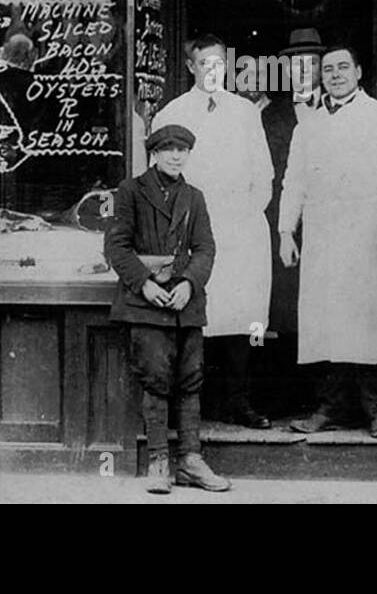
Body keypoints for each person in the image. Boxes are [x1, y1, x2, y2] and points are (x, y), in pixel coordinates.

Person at [278, 44, 377, 439]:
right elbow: (295, 181)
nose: (335, 74)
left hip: (369, 235)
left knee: (367, 322)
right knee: (325, 322)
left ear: (359, 71)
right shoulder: (308, 125)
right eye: (328, 69)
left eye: (343, 67)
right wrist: (286, 230)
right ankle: (330, 408)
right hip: (322, 236)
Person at [152, 34, 275, 429]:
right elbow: (161, 178)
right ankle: (195, 405)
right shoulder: (172, 112)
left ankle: (239, 402)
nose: (212, 70)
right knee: (196, 317)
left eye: (219, 63)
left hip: (241, 230)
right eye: (204, 63)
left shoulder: (244, 111)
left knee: (243, 317)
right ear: (191, 67)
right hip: (192, 231)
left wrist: (247, 214)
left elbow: (264, 173)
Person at [105, 123, 231, 493]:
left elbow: (206, 248)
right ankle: (159, 461)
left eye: (182, 150)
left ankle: (191, 459)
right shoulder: (130, 192)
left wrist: (190, 283)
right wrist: (143, 282)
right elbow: (116, 246)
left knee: (191, 378)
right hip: (145, 302)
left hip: (184, 303)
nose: (176, 156)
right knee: (155, 378)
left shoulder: (194, 197)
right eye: (168, 149)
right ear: (154, 154)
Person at [260, 28, 326, 406]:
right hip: (282, 224)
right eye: (295, 63)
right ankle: (289, 394)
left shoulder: (341, 108)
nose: (303, 69)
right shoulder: (272, 116)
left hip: (331, 223)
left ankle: (326, 397)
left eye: (311, 62)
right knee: (285, 307)